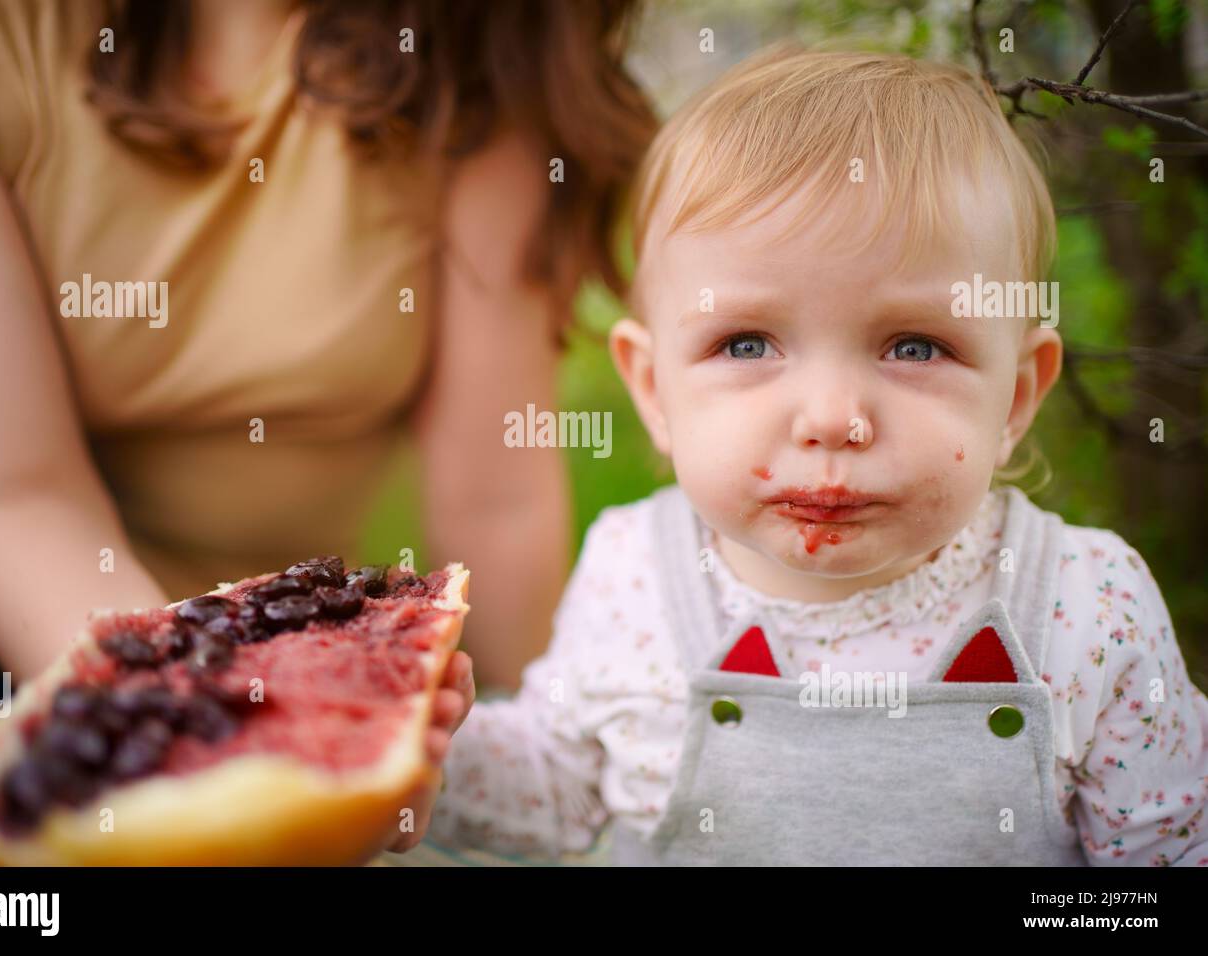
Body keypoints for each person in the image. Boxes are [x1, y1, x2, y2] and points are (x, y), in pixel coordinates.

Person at [420, 45, 1208, 865]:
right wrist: (428, 751)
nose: (833, 419)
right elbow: (557, 791)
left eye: (913, 347)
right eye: (748, 341)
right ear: (655, 391)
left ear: (1014, 396)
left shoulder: (1085, 607)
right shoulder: (634, 573)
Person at [0, 0, 654, 863]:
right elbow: (15, 495)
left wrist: (539, 777)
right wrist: (180, 727)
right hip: (1, 623)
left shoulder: (475, 49)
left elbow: (495, 501)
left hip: (300, 657)